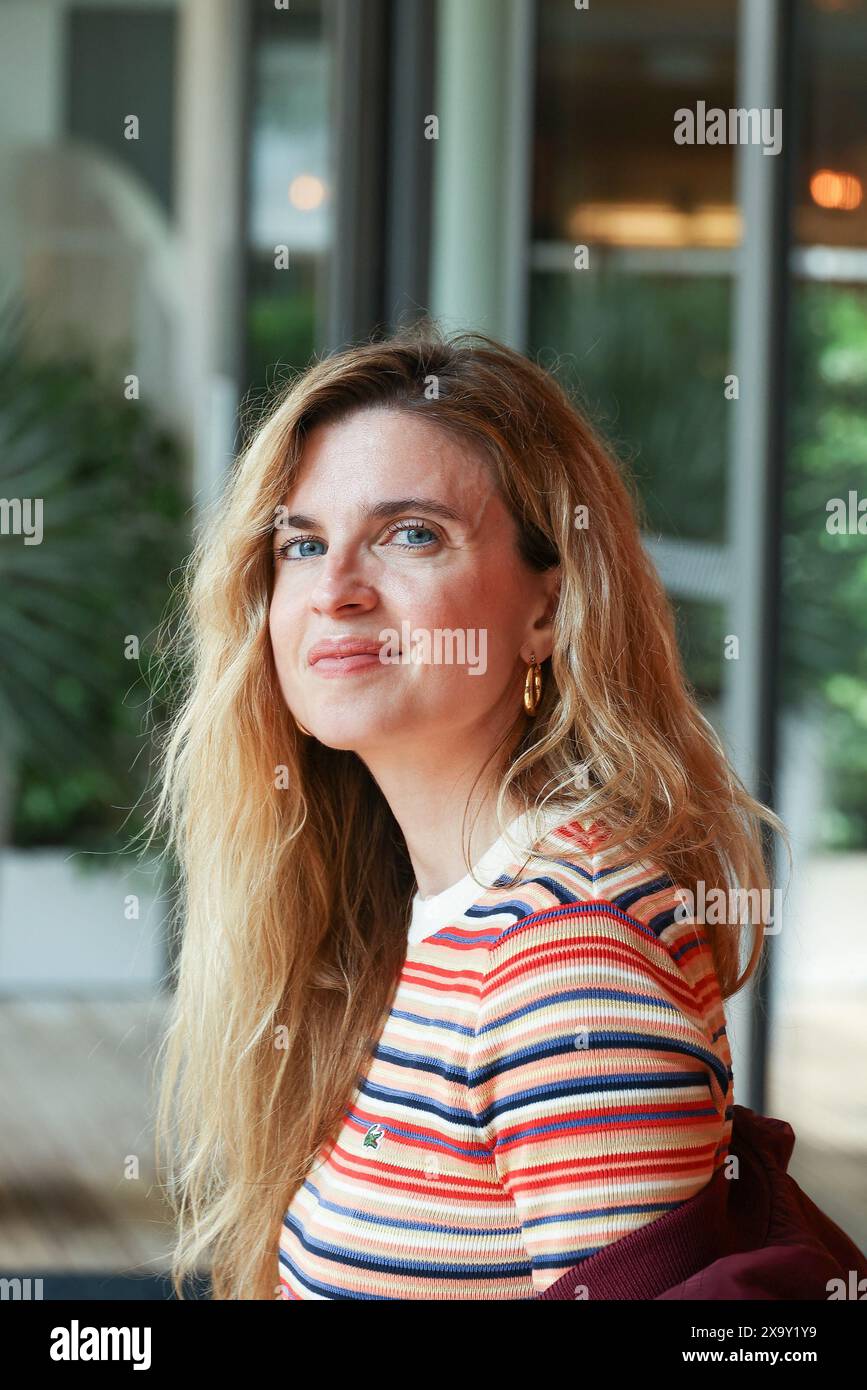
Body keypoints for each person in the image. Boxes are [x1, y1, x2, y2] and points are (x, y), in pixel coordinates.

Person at [146, 321, 788, 1300]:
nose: (336, 592)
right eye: (304, 543)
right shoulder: (421, 915)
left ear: (547, 609)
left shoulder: (567, 960)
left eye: (411, 534)